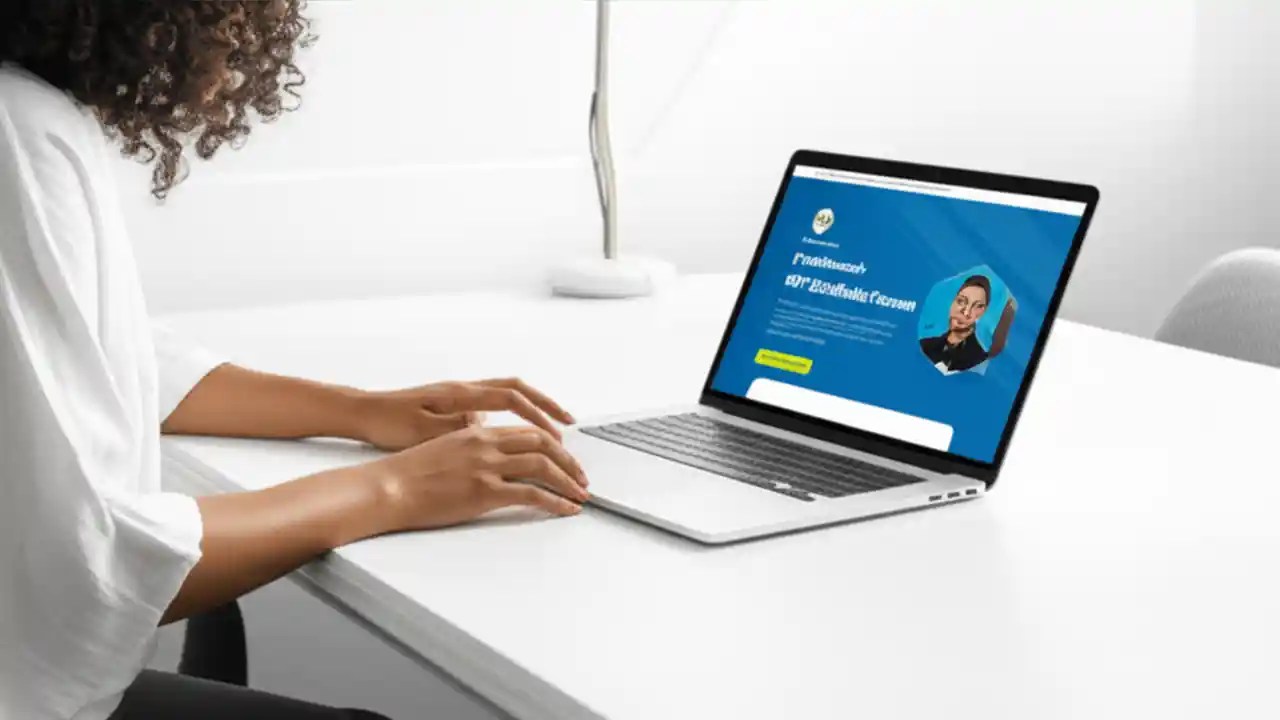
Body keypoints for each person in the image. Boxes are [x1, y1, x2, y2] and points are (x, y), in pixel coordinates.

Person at [0, 3, 589, 719]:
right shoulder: (17, 129)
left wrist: (359, 411)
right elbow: (80, 567)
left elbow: (89, 357)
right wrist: (395, 490)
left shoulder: (28, 112)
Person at [920, 274, 992, 373]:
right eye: (961, 301)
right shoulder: (925, 346)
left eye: (977, 306)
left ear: (983, 312)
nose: (966, 312)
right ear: (952, 301)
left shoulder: (980, 360)